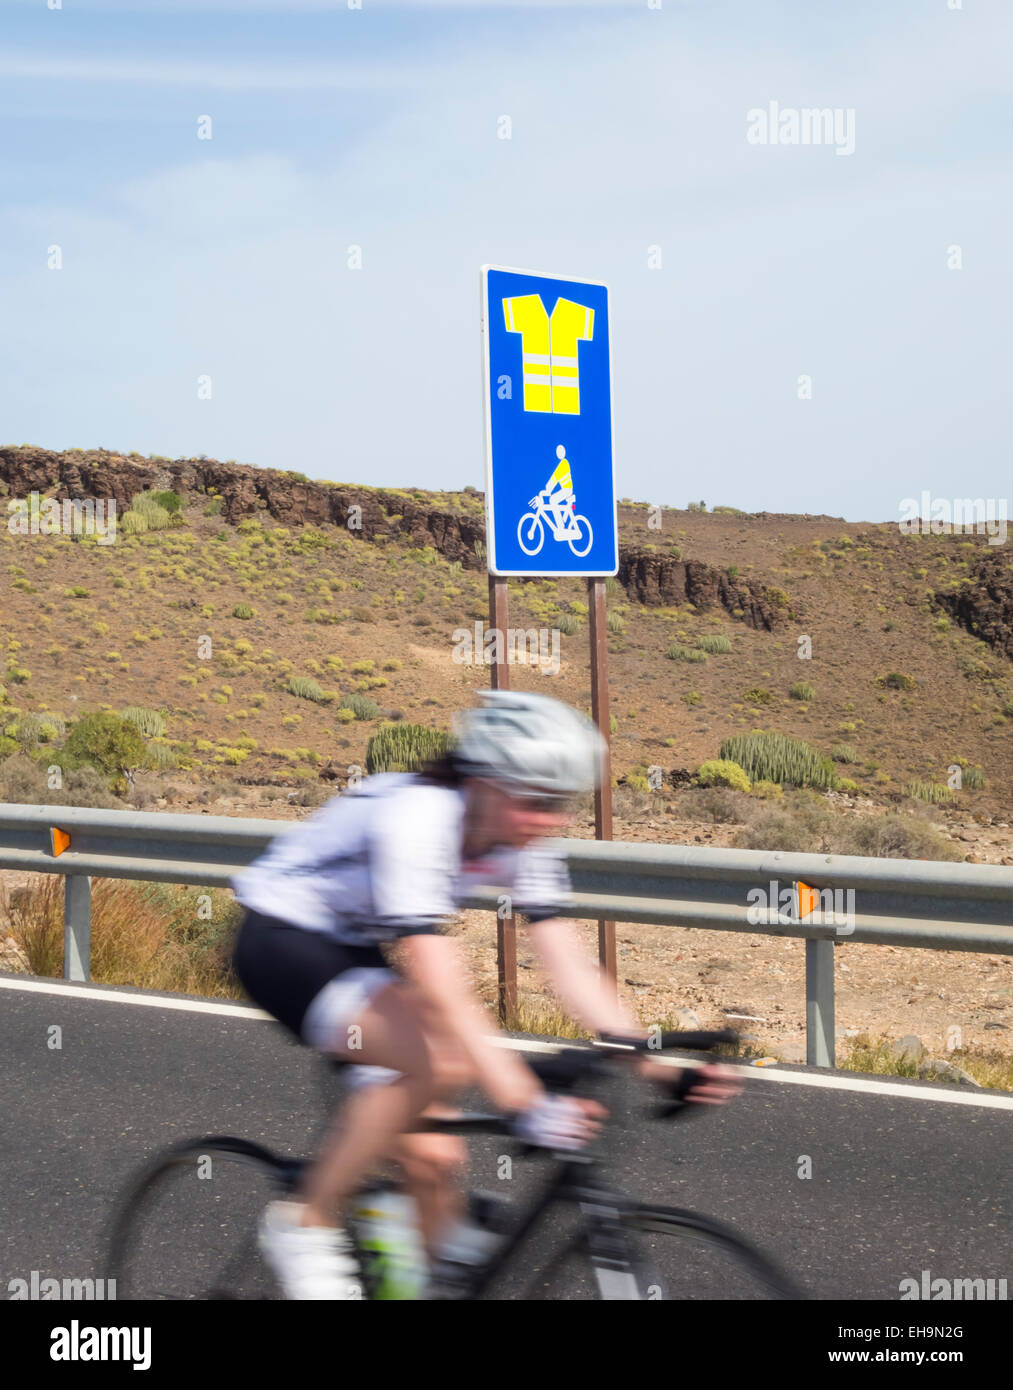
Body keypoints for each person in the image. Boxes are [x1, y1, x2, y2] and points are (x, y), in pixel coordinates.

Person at [231, 689, 739, 1299]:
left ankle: (426, 1263)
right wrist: (526, 1104)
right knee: (436, 1059)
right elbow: (440, 981)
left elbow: (570, 964)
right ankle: (303, 1222)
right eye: (536, 802)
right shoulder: (419, 817)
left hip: (358, 950)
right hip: (282, 938)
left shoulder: (522, 841)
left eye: (563, 804)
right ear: (486, 782)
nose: (550, 820)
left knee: (438, 1161)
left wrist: (658, 1068)